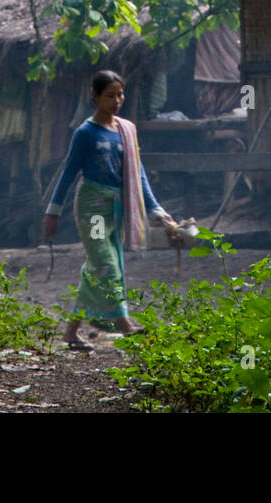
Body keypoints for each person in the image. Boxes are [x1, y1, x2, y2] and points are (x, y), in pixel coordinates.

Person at [42, 69, 175, 350]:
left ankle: (69, 334)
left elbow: (138, 174)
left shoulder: (126, 130)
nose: (117, 100)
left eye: (120, 94)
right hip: (93, 208)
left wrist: (157, 211)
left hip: (117, 208)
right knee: (107, 264)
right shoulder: (85, 133)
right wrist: (52, 212)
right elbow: (67, 173)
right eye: (110, 95)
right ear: (95, 96)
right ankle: (125, 324)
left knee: (95, 268)